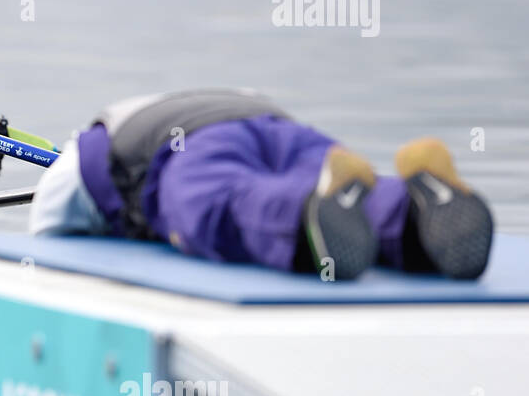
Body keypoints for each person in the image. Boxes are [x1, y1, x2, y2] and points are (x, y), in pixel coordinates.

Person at [29, 89, 494, 280]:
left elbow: (47, 237)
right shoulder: (141, 112)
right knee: (357, 198)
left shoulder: (77, 168)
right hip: (278, 127)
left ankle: (302, 216)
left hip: (194, 144)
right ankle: (413, 211)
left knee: (220, 207)